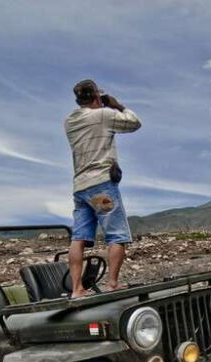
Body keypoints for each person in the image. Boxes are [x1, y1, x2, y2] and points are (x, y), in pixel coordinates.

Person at [64, 79, 141, 297]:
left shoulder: (70, 121)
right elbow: (134, 123)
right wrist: (116, 105)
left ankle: (77, 289)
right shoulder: (103, 116)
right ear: (98, 96)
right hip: (101, 187)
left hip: (80, 188)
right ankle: (113, 283)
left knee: (78, 237)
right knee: (116, 235)